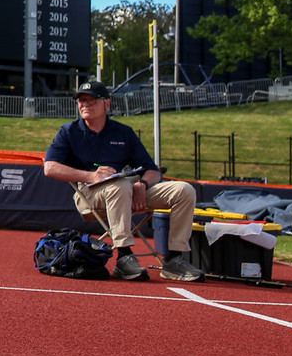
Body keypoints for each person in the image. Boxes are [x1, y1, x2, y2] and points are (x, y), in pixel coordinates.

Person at [43, 81, 204, 282]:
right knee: (119, 186)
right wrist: (91, 176)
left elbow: (152, 170)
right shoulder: (69, 131)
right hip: (90, 194)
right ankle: (124, 256)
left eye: (91, 100)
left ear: (107, 104)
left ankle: (174, 258)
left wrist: (143, 185)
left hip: (128, 189)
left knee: (184, 190)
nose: (85, 104)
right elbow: (50, 168)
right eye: (81, 100)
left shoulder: (123, 132)